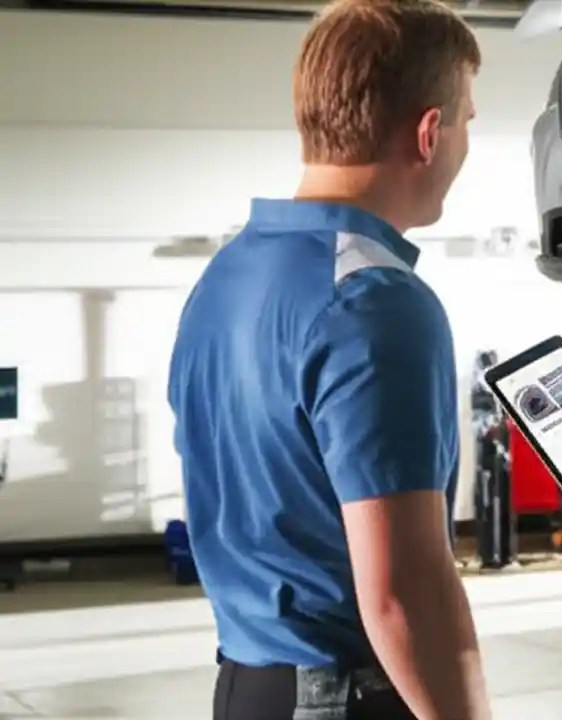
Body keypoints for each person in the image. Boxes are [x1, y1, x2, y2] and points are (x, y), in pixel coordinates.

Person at [167, 1, 491, 718]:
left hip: (246, 686)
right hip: (343, 697)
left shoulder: (225, 277)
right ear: (429, 133)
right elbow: (403, 594)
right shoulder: (376, 300)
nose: (467, 140)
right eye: (467, 119)